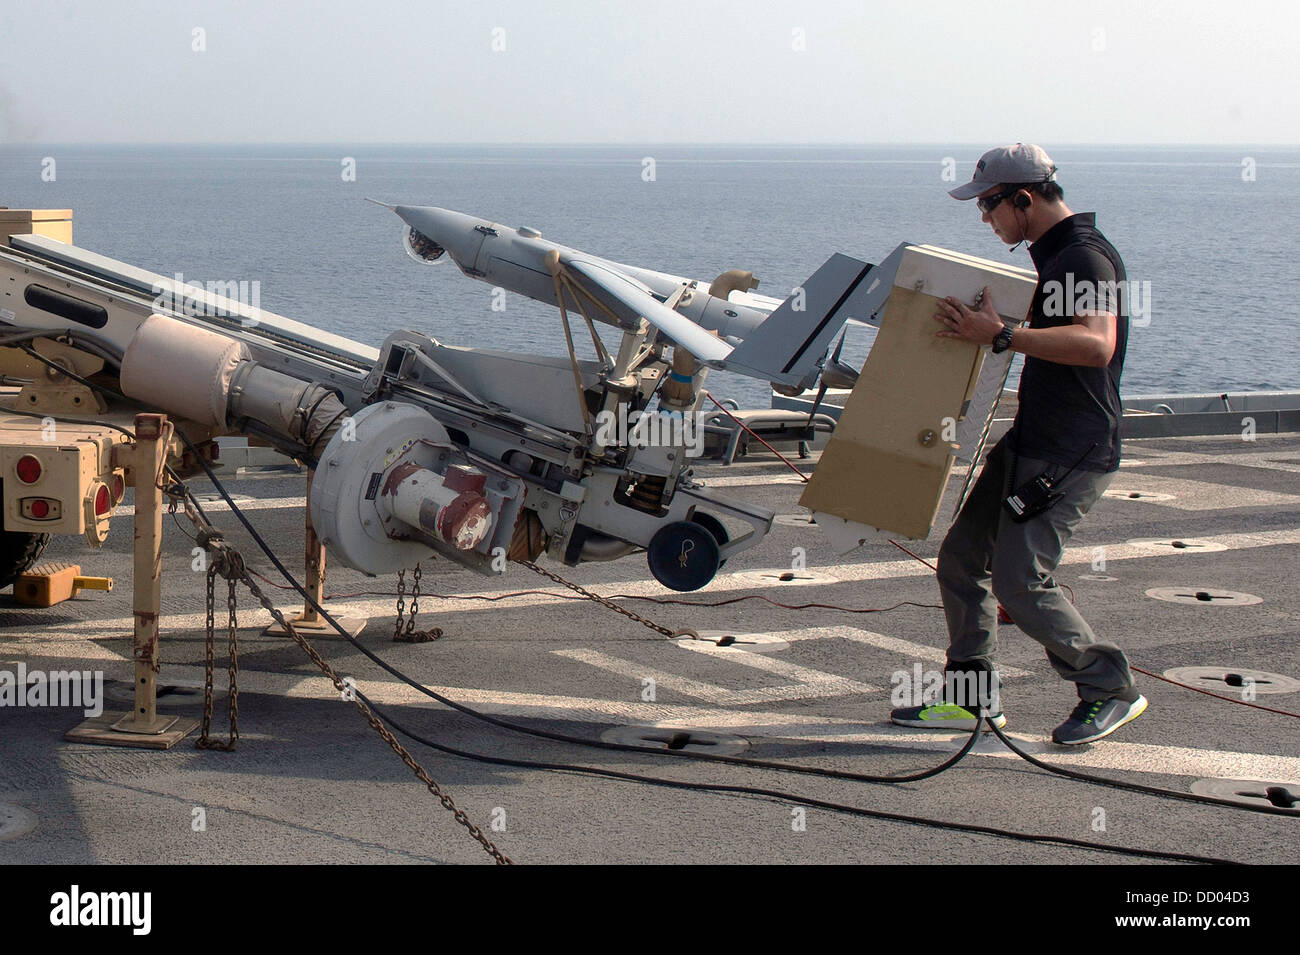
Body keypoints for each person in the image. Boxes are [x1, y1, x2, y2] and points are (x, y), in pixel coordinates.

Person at [890, 143, 1146, 745]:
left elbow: (1096, 345)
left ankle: (1111, 688)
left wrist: (1001, 334)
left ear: (1022, 199)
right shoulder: (1056, 254)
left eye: (988, 206)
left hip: (1070, 450)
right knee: (960, 559)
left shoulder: (1084, 259)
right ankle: (971, 699)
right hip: (1033, 439)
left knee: (1019, 579)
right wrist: (999, 321)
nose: (985, 219)